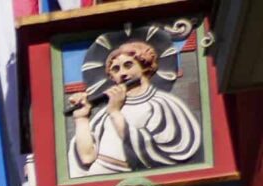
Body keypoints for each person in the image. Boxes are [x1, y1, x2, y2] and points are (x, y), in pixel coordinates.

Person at [68, 37, 204, 178]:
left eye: (128, 65)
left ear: (144, 66)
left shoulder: (161, 103)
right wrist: (82, 118)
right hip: (100, 175)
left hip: (135, 178)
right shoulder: (104, 113)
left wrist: (115, 112)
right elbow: (87, 157)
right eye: (116, 69)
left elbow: (163, 149)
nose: (122, 73)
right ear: (112, 77)